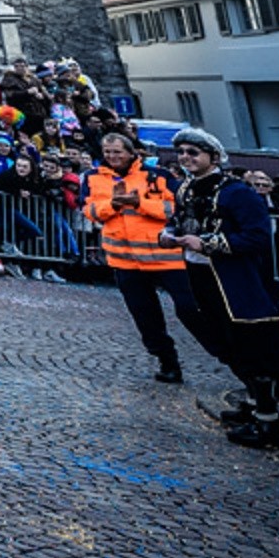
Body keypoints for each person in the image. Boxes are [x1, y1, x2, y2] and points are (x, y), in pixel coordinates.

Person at [166, 131, 279, 450]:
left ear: (213, 157)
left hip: (237, 281)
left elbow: (257, 237)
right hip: (201, 275)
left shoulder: (237, 192)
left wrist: (209, 243)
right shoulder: (186, 188)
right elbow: (182, 220)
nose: (185, 157)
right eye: (181, 152)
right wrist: (169, 233)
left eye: (193, 152)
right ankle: (255, 406)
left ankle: (270, 425)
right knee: (225, 342)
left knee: (252, 346)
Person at [85, 131, 194, 384]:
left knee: (191, 310)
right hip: (125, 261)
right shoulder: (92, 178)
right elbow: (90, 211)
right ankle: (167, 361)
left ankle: (227, 354)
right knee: (145, 317)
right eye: (108, 152)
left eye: (118, 152)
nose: (112, 157)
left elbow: (175, 209)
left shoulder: (158, 176)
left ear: (131, 151)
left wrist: (138, 204)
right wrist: (113, 204)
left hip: (166, 258)